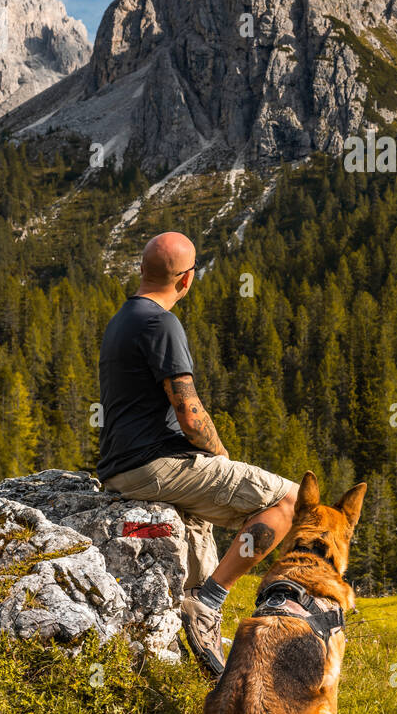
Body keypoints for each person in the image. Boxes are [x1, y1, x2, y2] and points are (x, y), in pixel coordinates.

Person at [96, 231, 298, 677]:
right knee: (289, 500)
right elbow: (188, 411)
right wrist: (220, 456)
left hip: (121, 466)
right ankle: (208, 603)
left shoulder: (122, 319)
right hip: (153, 465)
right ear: (186, 280)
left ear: (142, 271)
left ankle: (194, 623)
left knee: (202, 528)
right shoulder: (160, 323)